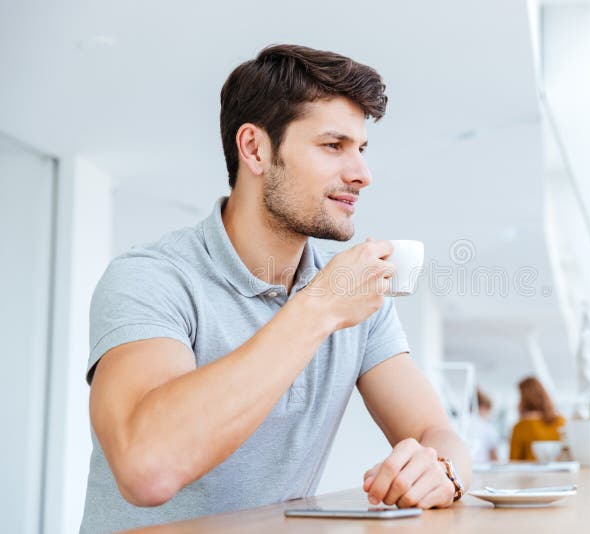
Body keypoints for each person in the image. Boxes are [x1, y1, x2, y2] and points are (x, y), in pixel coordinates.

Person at [80, 44, 471, 533]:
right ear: (255, 149)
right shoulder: (152, 278)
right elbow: (146, 468)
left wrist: (444, 473)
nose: (362, 174)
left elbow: (436, 434)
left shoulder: (348, 285)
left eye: (361, 149)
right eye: (333, 146)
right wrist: (318, 309)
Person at [508, 376, 565, 461]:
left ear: (523, 400)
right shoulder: (561, 422)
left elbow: (514, 460)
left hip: (530, 474)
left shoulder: (520, 427)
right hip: (560, 473)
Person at [466, 388, 500, 463]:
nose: (488, 415)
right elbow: (494, 457)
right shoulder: (487, 427)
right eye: (488, 412)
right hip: (482, 470)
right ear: (483, 407)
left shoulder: (461, 424)